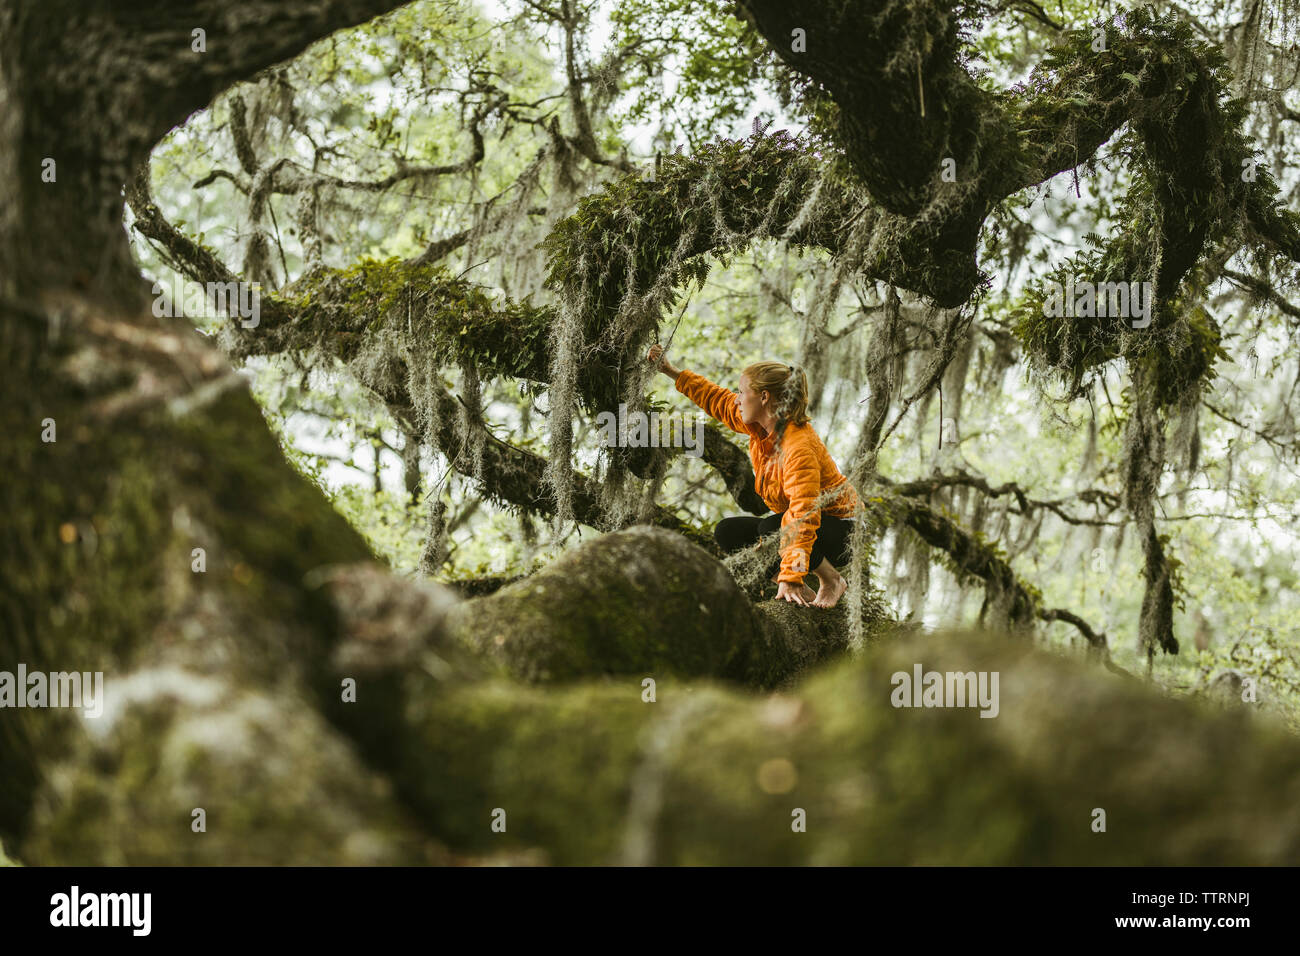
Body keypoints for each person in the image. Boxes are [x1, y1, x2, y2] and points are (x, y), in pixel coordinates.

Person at [647, 343, 858, 608]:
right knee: (729, 532)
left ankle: (831, 580)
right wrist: (671, 371)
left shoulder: (797, 446)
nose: (736, 398)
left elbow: (804, 514)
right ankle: (801, 591)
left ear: (764, 397)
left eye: (742, 391)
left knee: (772, 528)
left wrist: (791, 572)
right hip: (804, 523)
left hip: (844, 530)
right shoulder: (760, 427)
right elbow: (719, 400)